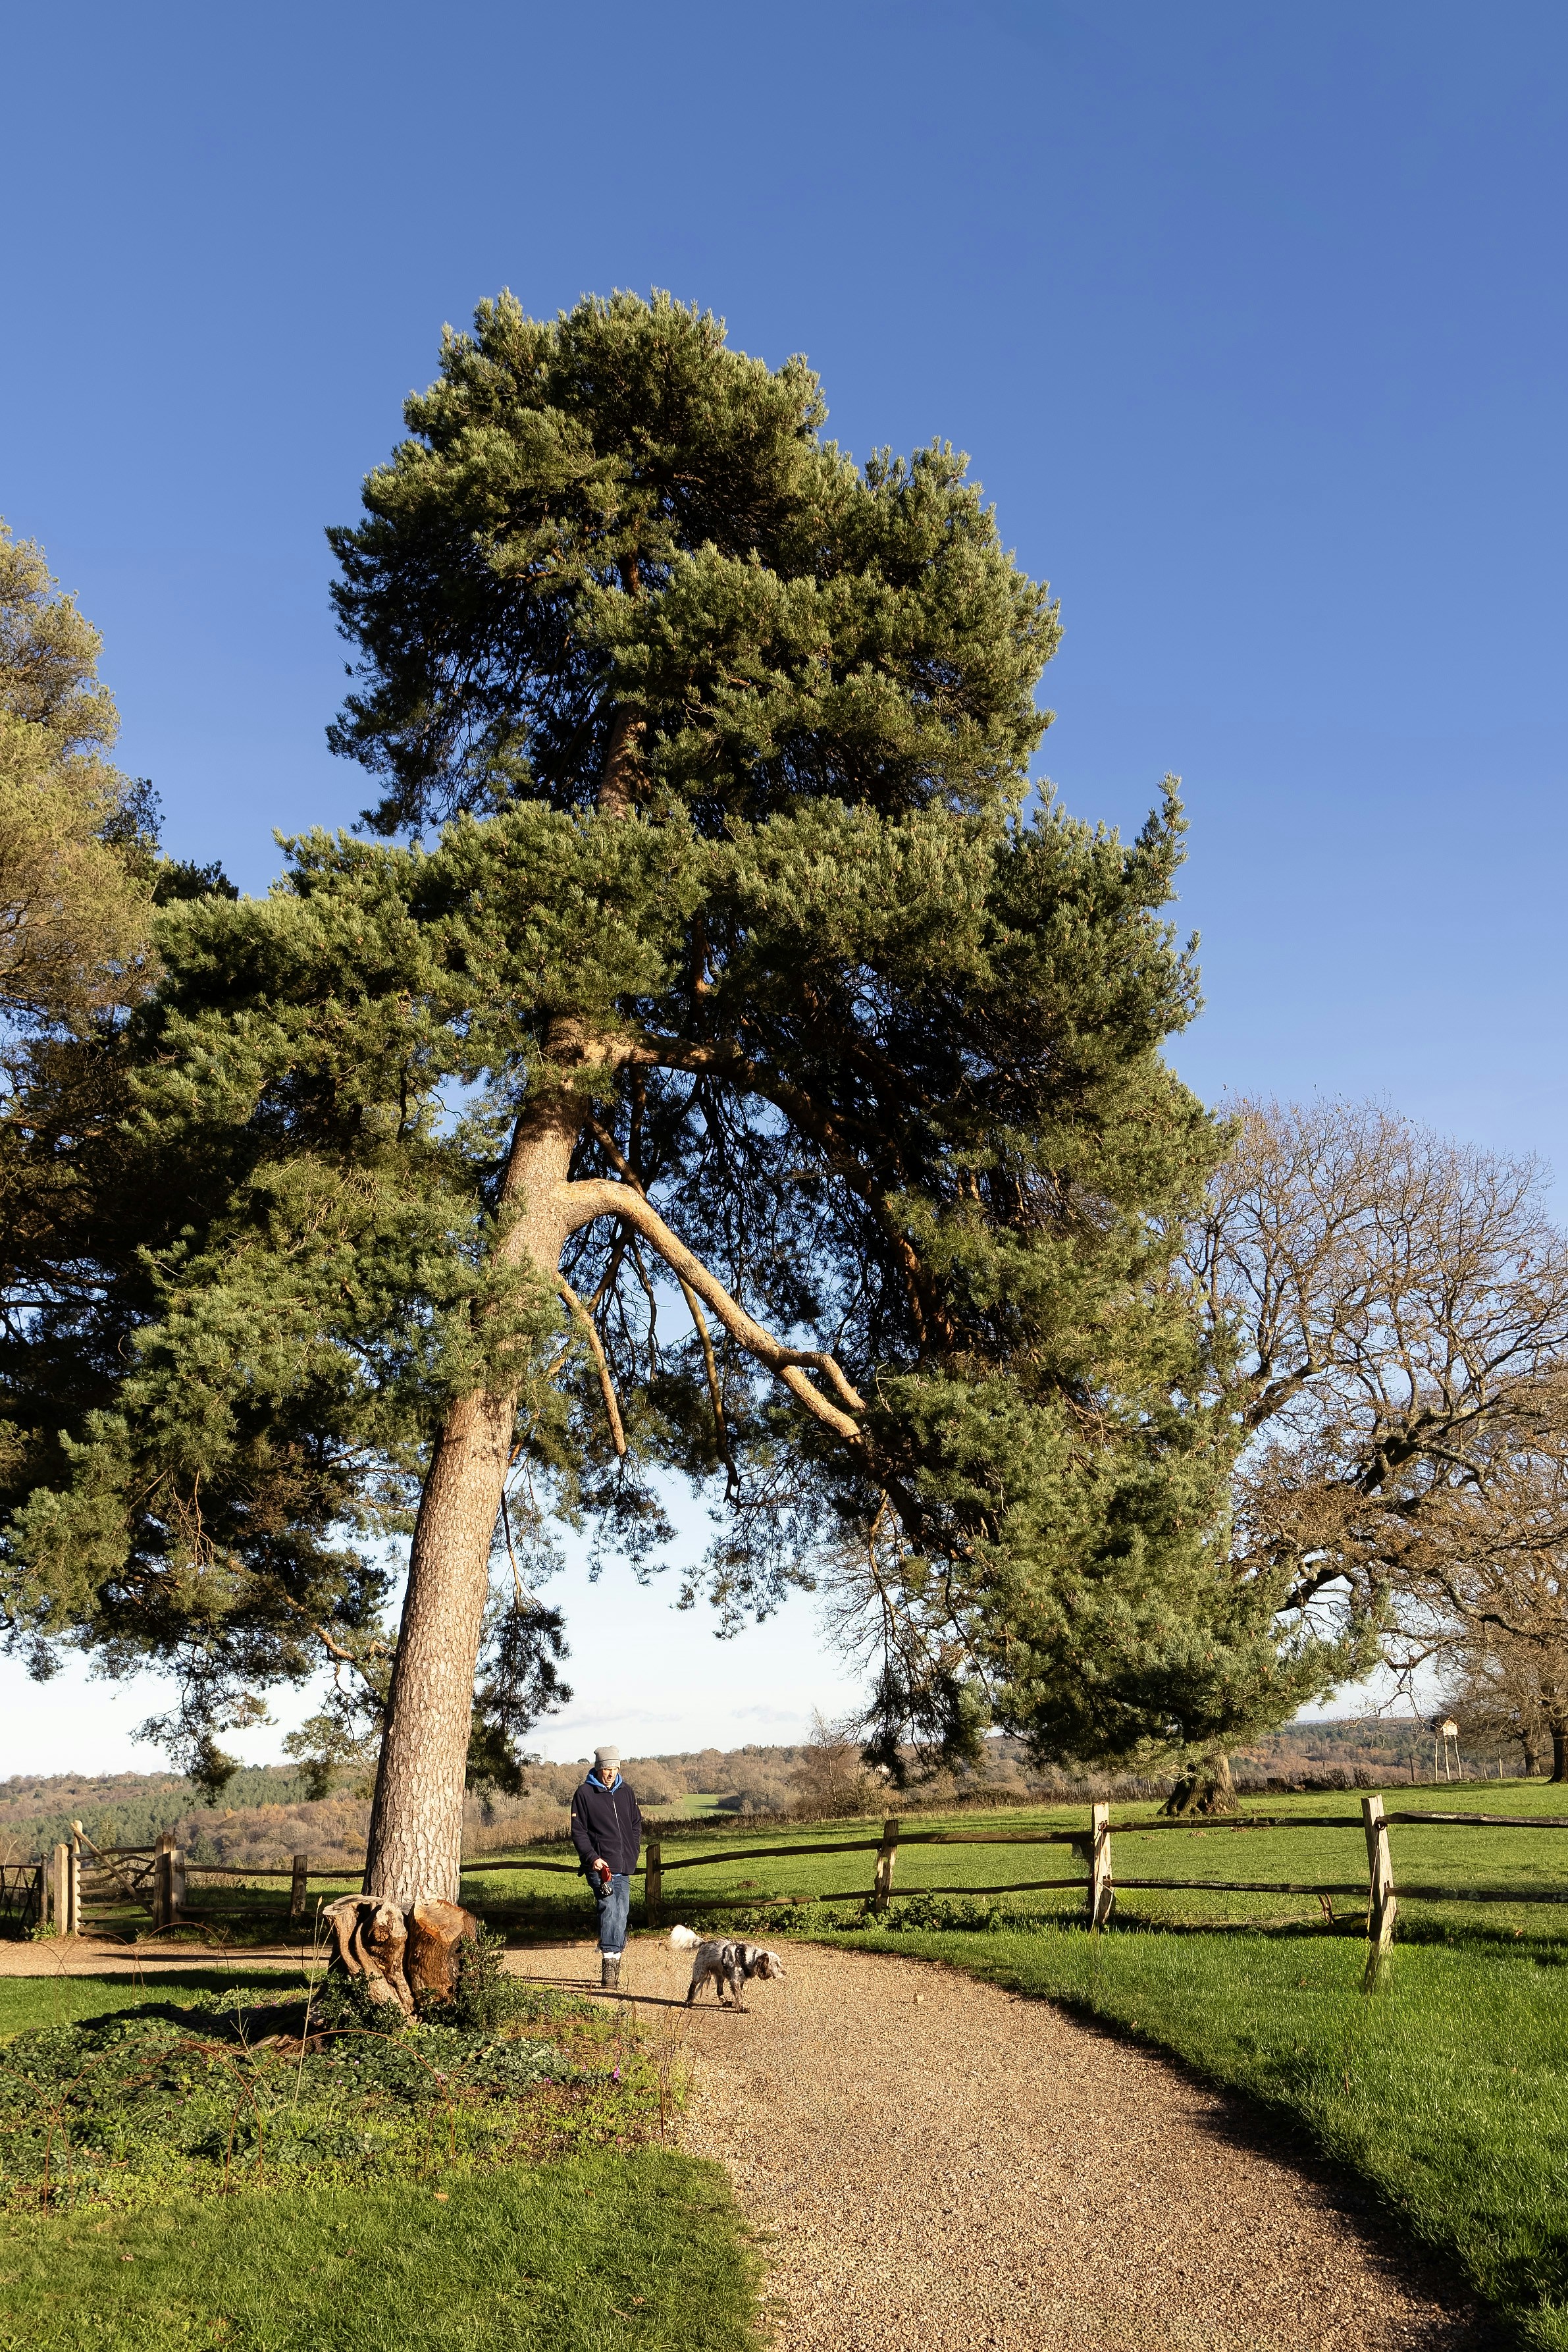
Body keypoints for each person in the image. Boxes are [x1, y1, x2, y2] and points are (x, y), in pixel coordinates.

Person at [569, 1744, 642, 1989]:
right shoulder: (584, 1794)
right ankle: (608, 1964)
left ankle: (617, 1959)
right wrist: (592, 1858)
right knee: (609, 1909)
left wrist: (633, 1851)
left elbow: (635, 1824)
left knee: (622, 1912)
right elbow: (578, 1832)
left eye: (614, 1768)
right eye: (605, 1768)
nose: (610, 1773)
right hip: (600, 1867)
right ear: (598, 1769)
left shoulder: (627, 1792)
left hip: (624, 1865)